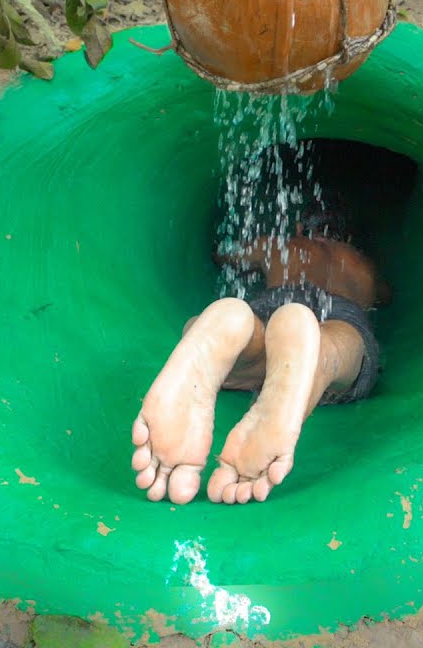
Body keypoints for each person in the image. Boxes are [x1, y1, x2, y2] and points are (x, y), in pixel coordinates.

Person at [130, 145, 391, 505]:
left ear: (302, 225)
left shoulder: (282, 245)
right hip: (340, 309)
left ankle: (233, 329)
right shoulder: (360, 265)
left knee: (261, 341)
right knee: (344, 344)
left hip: (273, 301)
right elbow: (384, 297)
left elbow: (226, 256)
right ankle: (319, 360)